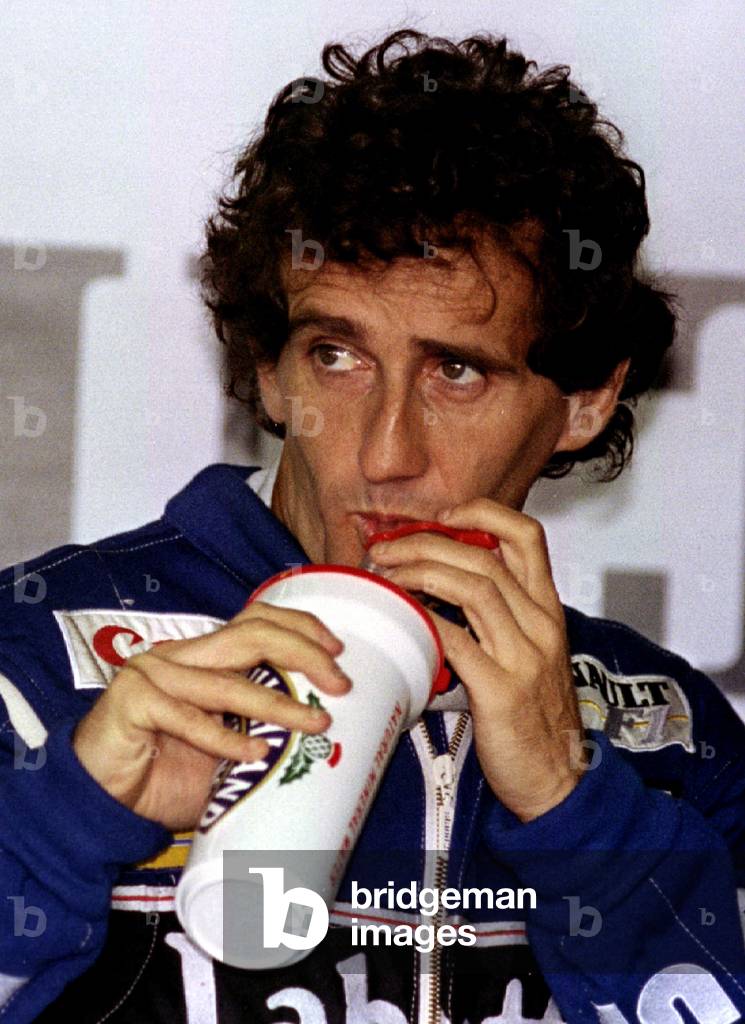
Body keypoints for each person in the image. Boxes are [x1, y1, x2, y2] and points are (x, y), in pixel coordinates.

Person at [1, 27, 744, 1024]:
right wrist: (60, 825)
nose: (385, 451)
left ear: (584, 399)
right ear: (266, 366)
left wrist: (580, 814)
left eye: (458, 370)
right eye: (336, 357)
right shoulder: (34, 659)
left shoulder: (670, 730)